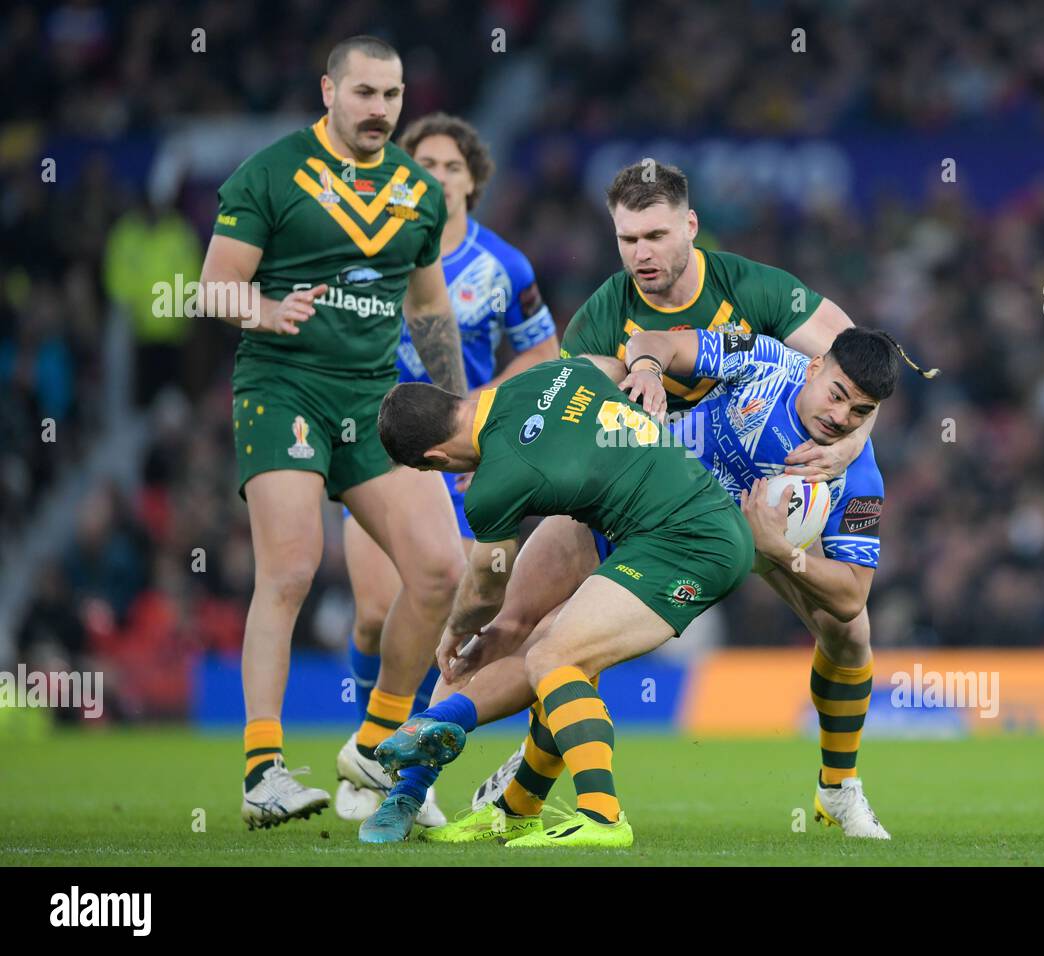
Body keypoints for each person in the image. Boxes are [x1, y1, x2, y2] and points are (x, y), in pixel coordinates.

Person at [415, 327, 937, 846]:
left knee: (849, 633)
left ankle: (839, 787)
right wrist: (648, 369)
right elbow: (658, 342)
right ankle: (424, 790)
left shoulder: (857, 478)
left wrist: (784, 553)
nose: (840, 417)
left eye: (859, 413)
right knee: (521, 628)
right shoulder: (761, 362)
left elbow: (851, 594)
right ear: (815, 365)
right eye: (838, 395)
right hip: (629, 497)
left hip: (707, 547)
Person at [199, 36, 467, 829]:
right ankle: (262, 773)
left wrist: (456, 414)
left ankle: (377, 744)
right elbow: (213, 289)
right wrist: (266, 312)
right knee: (290, 570)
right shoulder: (271, 174)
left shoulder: (418, 192)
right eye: (365, 93)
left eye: (392, 95)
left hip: (373, 403)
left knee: (440, 569)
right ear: (328, 91)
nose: (380, 109)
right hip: (280, 389)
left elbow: (427, 307)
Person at [356, 354, 755, 846]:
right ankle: (487, 805)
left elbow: (484, 589)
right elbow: (610, 367)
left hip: (690, 543)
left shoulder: (494, 486)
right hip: (645, 522)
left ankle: (602, 817)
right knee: (515, 637)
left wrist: (456, 629)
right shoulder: (548, 375)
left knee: (552, 655)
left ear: (435, 461)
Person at [334, 112, 558, 824]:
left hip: (461, 459)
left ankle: (402, 767)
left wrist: (480, 411)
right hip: (377, 452)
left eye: (450, 166)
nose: (437, 176)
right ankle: (371, 742)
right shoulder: (371, 257)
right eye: (422, 164)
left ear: (473, 181)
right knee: (372, 614)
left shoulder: (505, 266)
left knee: (452, 613)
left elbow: (543, 352)